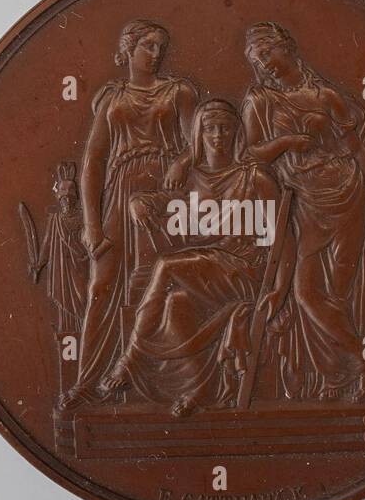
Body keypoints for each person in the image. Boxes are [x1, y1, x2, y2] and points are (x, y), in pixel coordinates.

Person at [100, 99, 290, 417]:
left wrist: (278, 293)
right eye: (210, 128)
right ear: (198, 134)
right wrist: (136, 201)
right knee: (177, 305)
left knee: (165, 266)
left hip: (244, 273)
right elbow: (163, 200)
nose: (218, 135)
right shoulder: (192, 178)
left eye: (226, 128)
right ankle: (200, 390)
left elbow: (284, 241)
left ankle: (129, 360)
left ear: (237, 133)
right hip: (205, 275)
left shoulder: (255, 177)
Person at [239, 22, 365, 402]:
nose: (266, 65)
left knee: (339, 292)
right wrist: (288, 141)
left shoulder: (327, 96)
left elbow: (360, 149)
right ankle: (361, 359)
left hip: (348, 192)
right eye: (258, 60)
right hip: (302, 201)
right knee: (307, 292)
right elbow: (250, 152)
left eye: (268, 53)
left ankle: (339, 380)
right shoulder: (259, 101)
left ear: (287, 46)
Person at [58, 20, 197, 410]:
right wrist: (91, 224)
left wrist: (182, 162)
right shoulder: (111, 97)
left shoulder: (179, 92)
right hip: (119, 193)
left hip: (165, 195)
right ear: (128, 48)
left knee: (157, 286)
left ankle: (158, 384)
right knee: (101, 287)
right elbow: (93, 163)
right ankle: (88, 381)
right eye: (148, 45)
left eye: (161, 46)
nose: (156, 53)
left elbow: (197, 144)